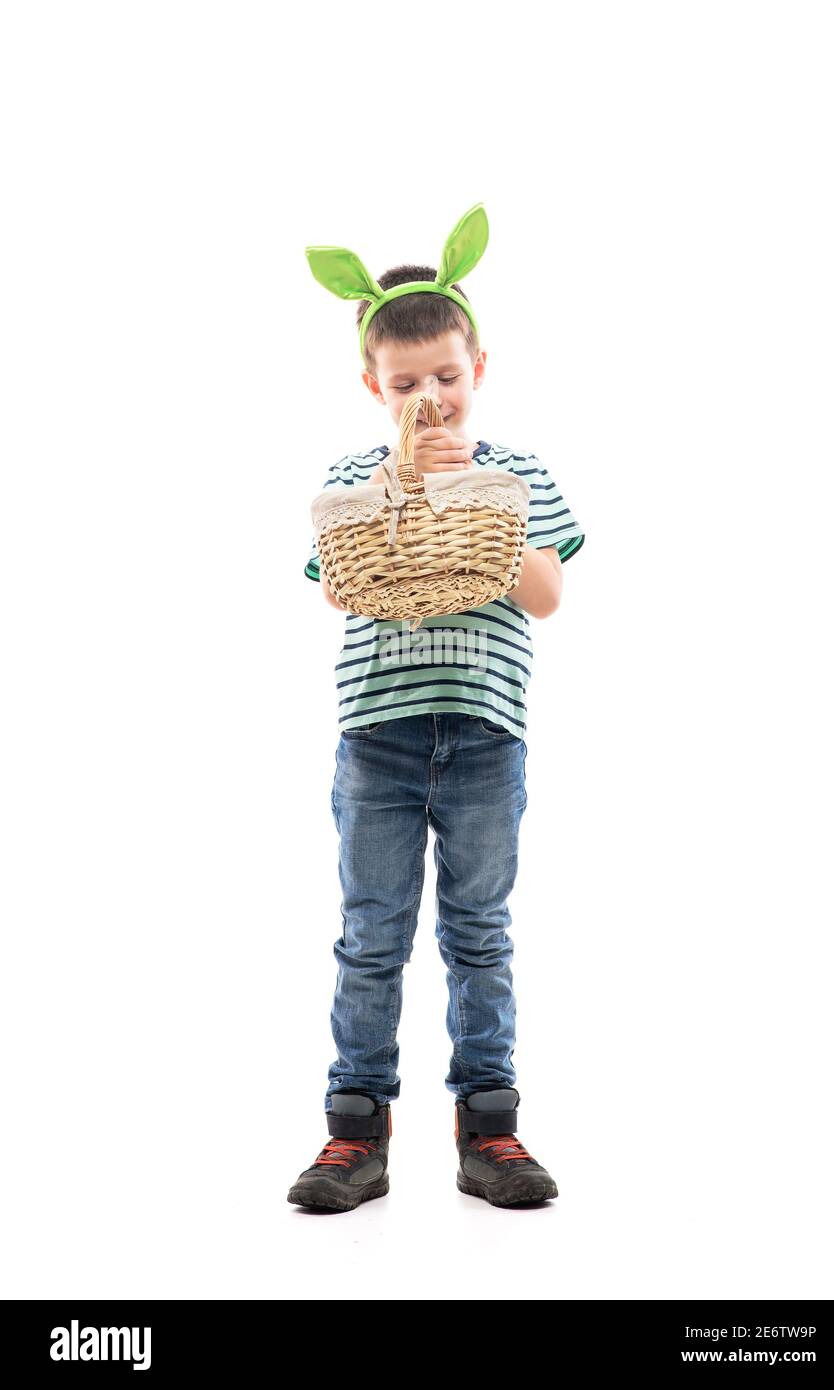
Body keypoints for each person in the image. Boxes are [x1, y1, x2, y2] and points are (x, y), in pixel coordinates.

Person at [287, 205, 585, 1211]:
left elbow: (545, 594)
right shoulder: (349, 479)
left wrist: (477, 510)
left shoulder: (516, 475)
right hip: (375, 736)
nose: (430, 398)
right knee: (370, 933)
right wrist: (397, 493)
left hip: (485, 741)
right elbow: (338, 584)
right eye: (407, 383)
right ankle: (353, 1131)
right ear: (374, 386)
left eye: (445, 378)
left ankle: (488, 1129)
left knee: (478, 932)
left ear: (478, 369)